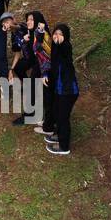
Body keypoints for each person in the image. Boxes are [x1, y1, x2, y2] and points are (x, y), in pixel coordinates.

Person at [45, 24, 79, 156]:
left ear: (66, 37)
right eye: (55, 33)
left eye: (60, 34)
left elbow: (65, 50)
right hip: (60, 90)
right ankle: (59, 135)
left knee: (63, 118)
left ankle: (64, 147)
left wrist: (60, 43)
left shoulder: (65, 48)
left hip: (68, 91)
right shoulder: (55, 50)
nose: (56, 37)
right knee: (57, 113)